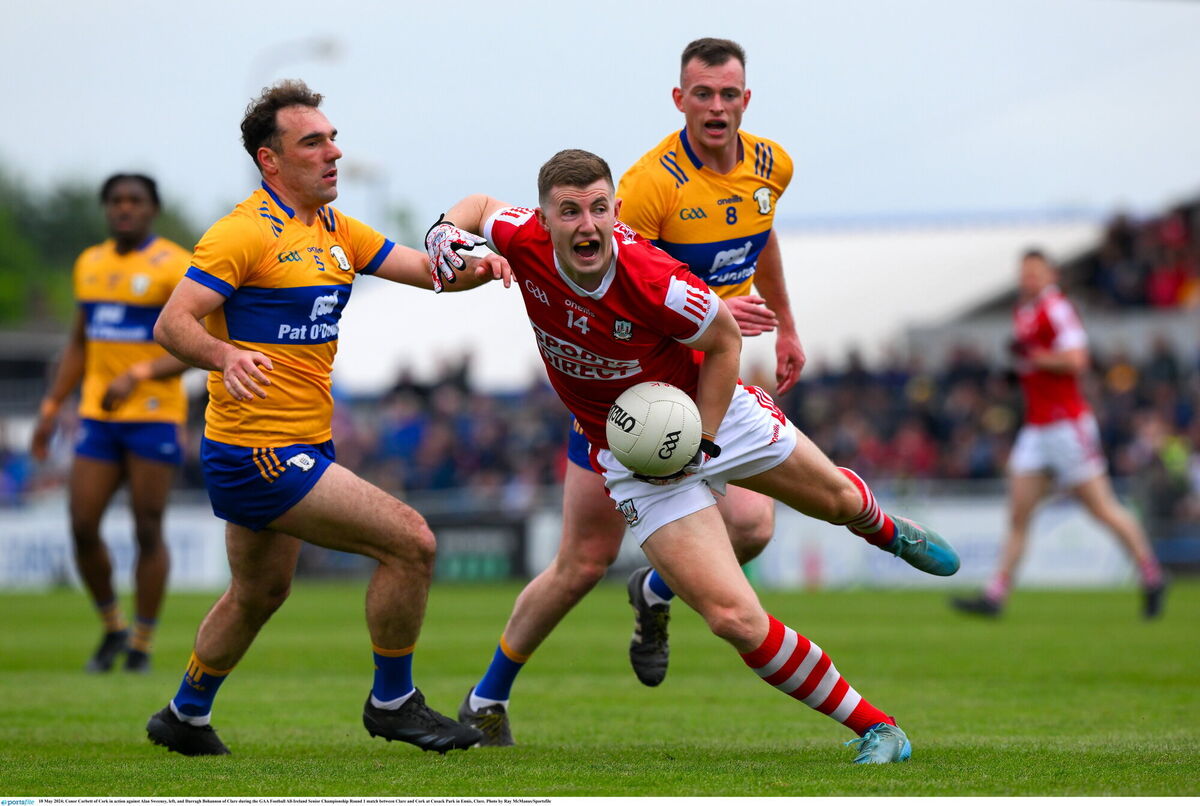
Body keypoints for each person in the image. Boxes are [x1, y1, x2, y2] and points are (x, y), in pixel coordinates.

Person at [428, 148, 960, 763]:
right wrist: (443, 229)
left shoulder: (653, 278)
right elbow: (481, 207)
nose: (587, 225)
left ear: (615, 210)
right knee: (733, 617)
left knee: (837, 502)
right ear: (545, 222)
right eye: (569, 212)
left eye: (599, 209)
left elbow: (727, 340)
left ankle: (886, 528)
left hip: (716, 412)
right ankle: (878, 728)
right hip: (633, 454)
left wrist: (701, 442)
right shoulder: (522, 239)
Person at [455, 38, 806, 747]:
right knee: (580, 563)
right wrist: (710, 311)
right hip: (624, 400)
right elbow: (624, 281)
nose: (716, 106)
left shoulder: (772, 164)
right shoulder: (648, 185)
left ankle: (655, 589)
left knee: (755, 527)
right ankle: (485, 698)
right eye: (702, 94)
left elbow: (760, 232)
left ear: (747, 99)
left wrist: (786, 323)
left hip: (710, 375)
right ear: (679, 100)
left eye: (728, 93)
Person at [143, 80, 509, 757]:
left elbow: (427, 272)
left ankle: (183, 713)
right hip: (259, 449)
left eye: (333, 138)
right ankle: (393, 701)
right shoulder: (242, 233)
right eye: (313, 142)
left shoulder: (337, 229)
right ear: (270, 161)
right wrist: (225, 356)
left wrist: (483, 266)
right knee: (412, 542)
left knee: (258, 592)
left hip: (296, 442)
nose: (333, 153)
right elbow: (173, 324)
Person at [31, 174, 191, 674]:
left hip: (154, 415)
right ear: (106, 210)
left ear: (152, 210)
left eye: (134, 201)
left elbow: (199, 345)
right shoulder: (90, 263)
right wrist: (53, 404)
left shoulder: (176, 265)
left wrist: (141, 372)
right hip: (99, 416)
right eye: (116, 201)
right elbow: (81, 341)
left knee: (148, 527)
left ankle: (141, 642)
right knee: (81, 524)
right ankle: (113, 627)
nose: (124, 209)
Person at [951, 249, 1167, 619]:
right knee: (1018, 514)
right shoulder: (1024, 312)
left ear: (1050, 275)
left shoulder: (1057, 308)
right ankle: (995, 595)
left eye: (1035, 273)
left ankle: (1152, 575)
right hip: (1037, 428)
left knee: (1102, 508)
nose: (1028, 279)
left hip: (1067, 425)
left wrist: (1033, 358)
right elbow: (1035, 362)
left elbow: (1077, 360)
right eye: (1025, 273)